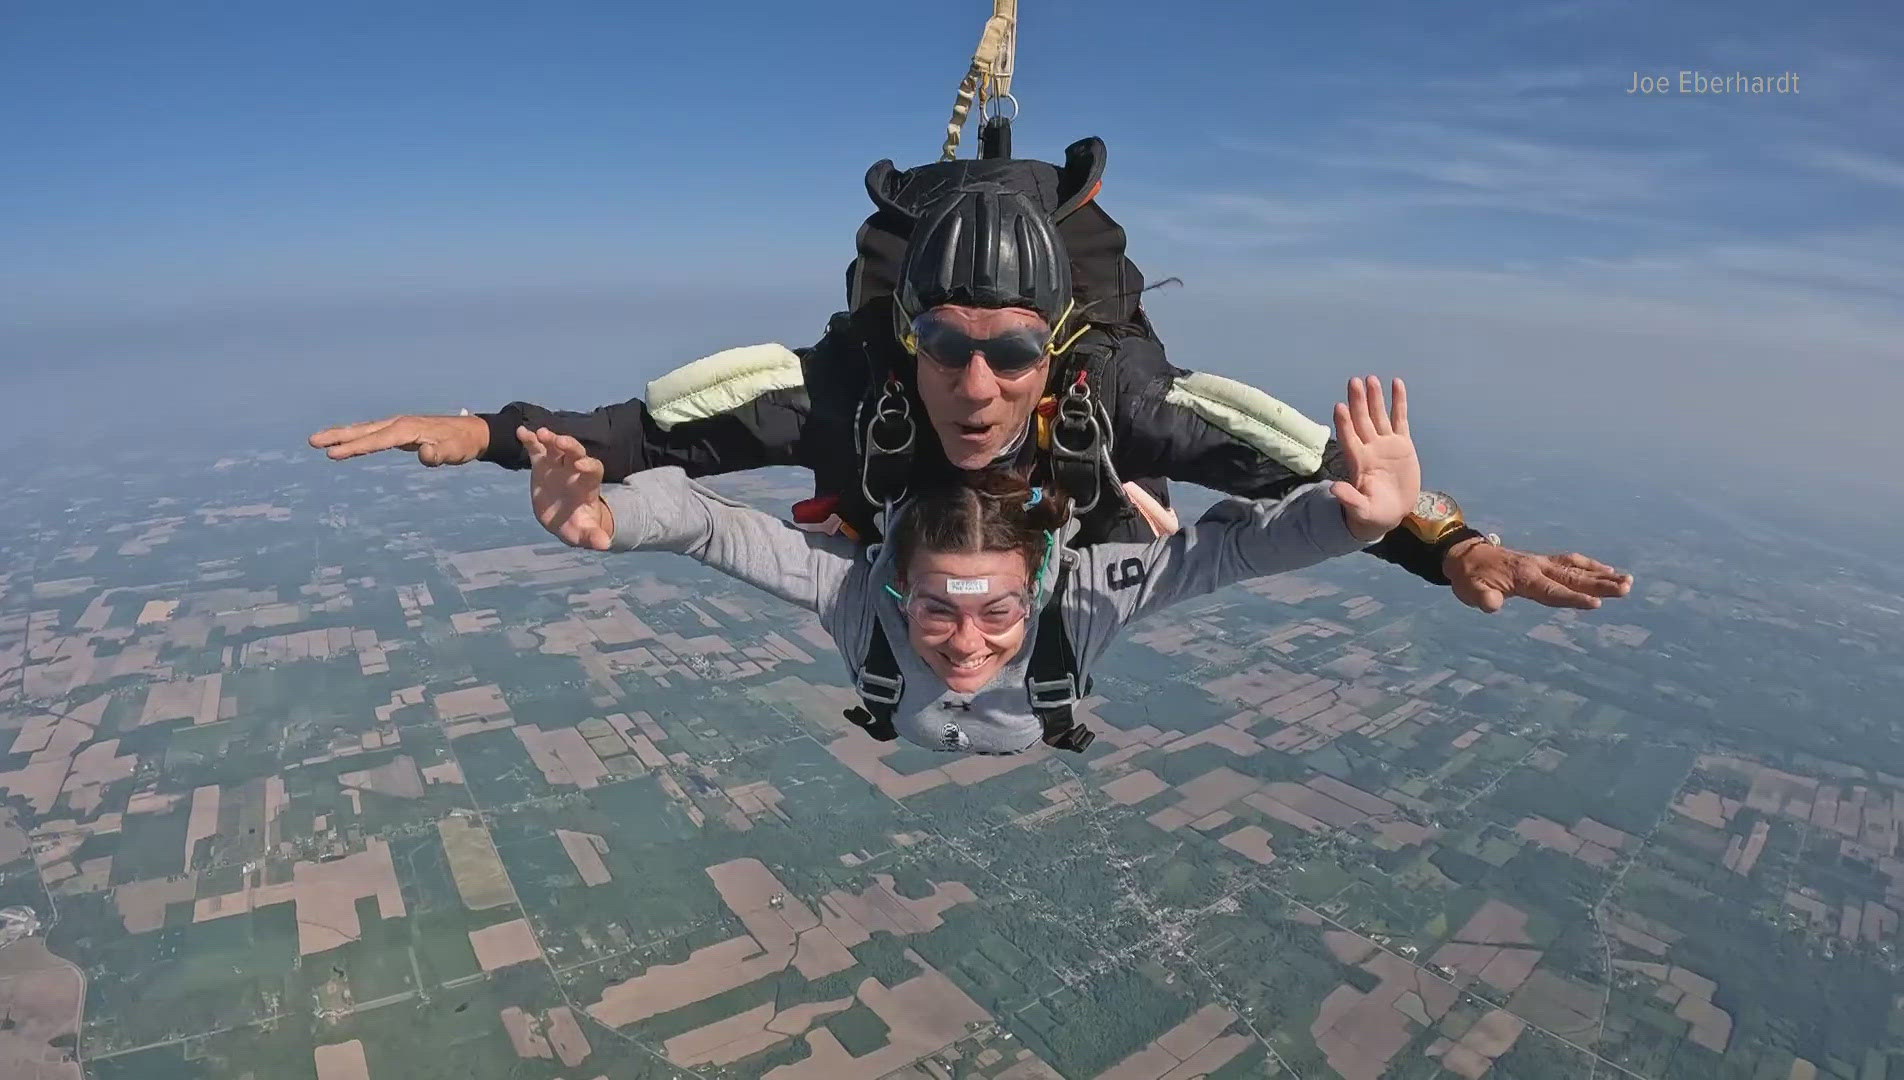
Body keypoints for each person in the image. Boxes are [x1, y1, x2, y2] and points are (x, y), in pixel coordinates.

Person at [312, 139, 1631, 614]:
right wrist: (484, 429)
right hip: (916, 502)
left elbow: (1333, 481)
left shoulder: (1116, 402)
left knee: (1126, 513)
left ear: (1054, 348)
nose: (980, 384)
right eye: (946, 345)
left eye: (1011, 352)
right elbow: (634, 434)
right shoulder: (845, 391)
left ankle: (1121, 510)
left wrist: (1457, 546)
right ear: (911, 339)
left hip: (1081, 501)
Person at [516, 374, 1423, 755]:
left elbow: (1229, 551)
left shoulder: (1080, 600)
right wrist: (608, 518)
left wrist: (1359, 523)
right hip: (981, 552)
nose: (964, 644)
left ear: (1035, 589)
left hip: (1072, 537)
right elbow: (709, 528)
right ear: (898, 588)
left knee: (1141, 527)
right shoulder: (860, 595)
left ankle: (1114, 478)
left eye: (996, 611)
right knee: (1143, 534)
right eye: (938, 610)